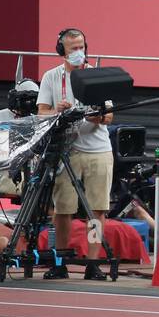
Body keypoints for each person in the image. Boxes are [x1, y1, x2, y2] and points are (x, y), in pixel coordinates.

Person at [36, 28, 115, 280]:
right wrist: (58, 111)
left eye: (82, 47)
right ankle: (60, 261)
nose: (79, 52)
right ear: (62, 51)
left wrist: (97, 116)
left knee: (97, 209)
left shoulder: (98, 76)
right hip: (66, 150)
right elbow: (41, 113)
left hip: (98, 150)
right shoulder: (51, 77)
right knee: (63, 209)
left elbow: (110, 115)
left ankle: (92, 263)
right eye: (73, 48)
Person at [0, 79, 39, 196]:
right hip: (6, 175)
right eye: (26, 99)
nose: (29, 103)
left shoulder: (38, 119)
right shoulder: (0, 117)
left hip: (34, 173)